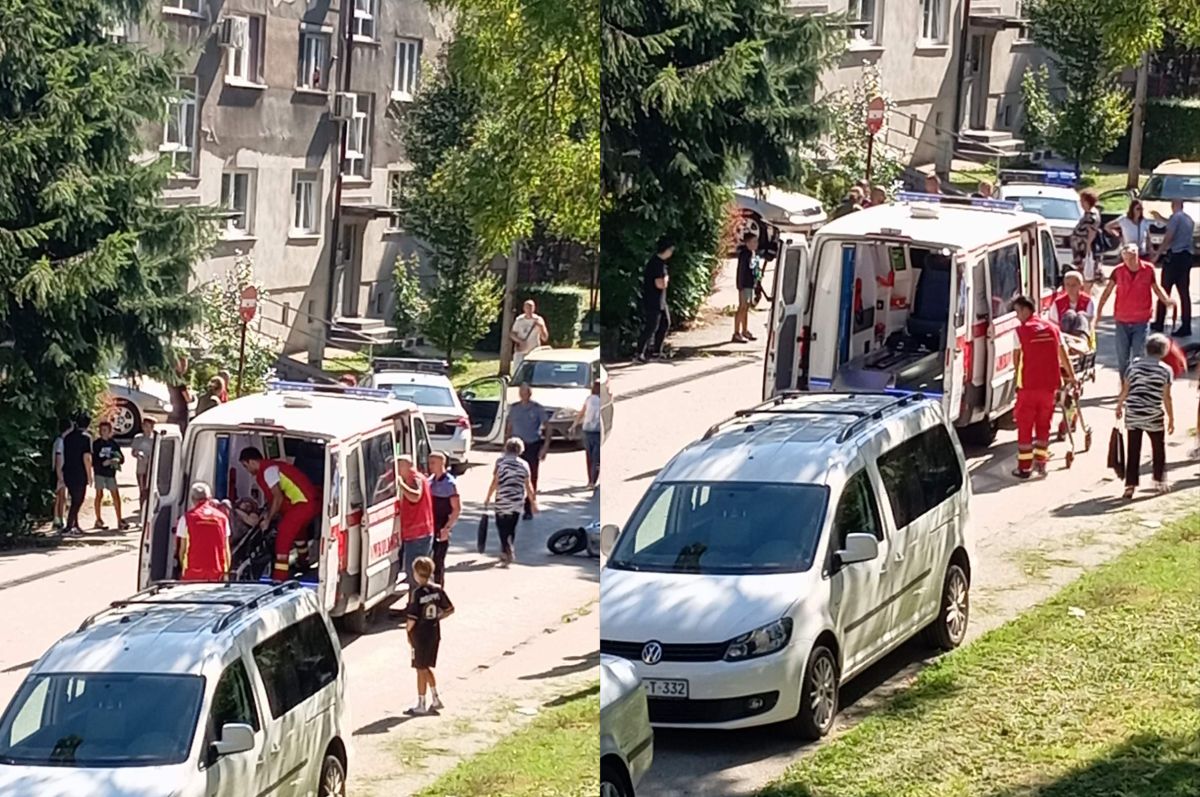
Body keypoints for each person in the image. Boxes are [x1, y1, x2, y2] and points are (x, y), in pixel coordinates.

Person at [1011, 295, 1077, 479]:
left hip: (1028, 387)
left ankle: (1024, 468)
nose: (1017, 316)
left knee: (1025, 426)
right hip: (1049, 387)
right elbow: (1063, 355)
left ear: (1026, 310)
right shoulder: (1054, 329)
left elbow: (1016, 359)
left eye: (1017, 311)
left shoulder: (1020, 331)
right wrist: (1071, 377)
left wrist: (1019, 377)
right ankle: (1041, 464)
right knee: (1043, 425)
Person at [238, 446, 320, 581]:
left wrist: (268, 519)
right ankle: (303, 562)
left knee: (283, 539)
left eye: (246, 466)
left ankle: (279, 579)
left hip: (302, 504)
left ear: (252, 462)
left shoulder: (268, 472)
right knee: (299, 533)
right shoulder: (273, 467)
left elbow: (278, 497)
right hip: (309, 502)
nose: (247, 470)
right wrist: (267, 511)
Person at [1096, 244, 1176, 379]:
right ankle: (1124, 386)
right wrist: (1099, 311)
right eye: (1125, 258)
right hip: (1122, 319)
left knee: (1138, 356)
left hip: (1141, 319)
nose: (1128, 262)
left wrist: (1167, 300)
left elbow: (1156, 288)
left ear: (1137, 255)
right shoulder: (1118, 271)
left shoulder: (1148, 269)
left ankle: (1135, 385)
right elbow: (1107, 291)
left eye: (1131, 258)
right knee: (1123, 357)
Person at [1116, 334, 1175, 498]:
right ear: (1164, 351)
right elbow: (1166, 397)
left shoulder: (1133, 367)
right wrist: (1171, 418)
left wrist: (1119, 405)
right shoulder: (1165, 370)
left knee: (1133, 449)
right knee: (1158, 447)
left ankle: (1130, 485)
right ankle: (1159, 480)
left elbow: (1125, 390)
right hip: (1153, 414)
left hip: (1133, 412)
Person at [404, 556, 454, 716]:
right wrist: (437, 618)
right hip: (434, 633)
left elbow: (412, 618)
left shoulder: (417, 593)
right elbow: (450, 609)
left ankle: (421, 702)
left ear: (417, 574)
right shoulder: (438, 590)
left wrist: (408, 633)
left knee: (420, 668)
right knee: (426, 666)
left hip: (420, 635)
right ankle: (435, 698)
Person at [484, 438, 537, 566]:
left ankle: (506, 548)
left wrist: (488, 497)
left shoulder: (501, 463)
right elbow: (528, 485)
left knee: (501, 525)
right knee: (511, 526)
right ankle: (507, 548)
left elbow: (495, 482)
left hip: (502, 498)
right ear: (520, 450)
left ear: (506, 448)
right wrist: (533, 502)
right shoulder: (524, 464)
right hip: (517, 499)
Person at [1150, 198, 1195, 337]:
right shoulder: (1188, 219)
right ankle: (1186, 325)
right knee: (1184, 292)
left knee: (1164, 289)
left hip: (1174, 257)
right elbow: (1173, 225)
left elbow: (1169, 236)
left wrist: (1158, 254)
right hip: (1187, 257)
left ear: (1173, 205)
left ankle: (1159, 321)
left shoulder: (1175, 218)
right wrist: (1161, 218)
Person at [504, 384, 547, 519]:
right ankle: (513, 506)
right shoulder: (515, 408)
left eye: (526, 392)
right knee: (512, 476)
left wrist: (545, 446)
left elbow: (548, 426)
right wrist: (505, 444)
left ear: (530, 393)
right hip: (516, 447)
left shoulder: (537, 408)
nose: (524, 394)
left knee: (531, 477)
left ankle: (528, 507)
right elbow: (509, 427)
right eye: (521, 392)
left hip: (532, 445)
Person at [175, 482, 231, 581]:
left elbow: (182, 550)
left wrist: (184, 567)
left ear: (192, 499)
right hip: (217, 574)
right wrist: (226, 573)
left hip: (192, 573)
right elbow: (226, 550)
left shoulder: (186, 518)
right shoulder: (222, 518)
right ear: (209, 497)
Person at [397, 455, 435, 586]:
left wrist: (401, 485)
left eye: (399, 466)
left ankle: (418, 602)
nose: (396, 469)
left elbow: (415, 496)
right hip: (419, 532)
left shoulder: (414, 478)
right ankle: (417, 601)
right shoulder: (417, 477)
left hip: (418, 534)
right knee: (418, 571)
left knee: (416, 572)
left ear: (406, 466)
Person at [636, 237, 673, 362]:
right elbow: (660, 284)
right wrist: (667, 279)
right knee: (651, 326)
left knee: (665, 323)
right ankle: (639, 352)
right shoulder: (655, 264)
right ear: (666, 250)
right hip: (653, 300)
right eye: (670, 250)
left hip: (661, 300)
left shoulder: (662, 264)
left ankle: (657, 350)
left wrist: (665, 278)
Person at [428, 452, 460, 586]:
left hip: (442, 526)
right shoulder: (430, 481)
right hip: (430, 525)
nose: (430, 466)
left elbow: (456, 509)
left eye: (433, 463)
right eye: (429, 463)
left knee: (438, 562)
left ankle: (439, 591)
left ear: (442, 463)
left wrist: (447, 528)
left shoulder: (449, 484)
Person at [60, 413, 92, 536]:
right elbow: (87, 458)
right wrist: (89, 475)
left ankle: (75, 525)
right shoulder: (86, 438)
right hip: (80, 472)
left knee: (73, 497)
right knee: (78, 500)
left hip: (68, 471)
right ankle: (69, 526)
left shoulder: (67, 437)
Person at [91, 421, 125, 530]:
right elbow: (93, 459)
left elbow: (121, 458)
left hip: (110, 473)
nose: (102, 432)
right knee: (99, 494)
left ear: (110, 431)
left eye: (105, 430)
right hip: (99, 472)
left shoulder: (113, 444)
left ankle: (119, 519)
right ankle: (98, 519)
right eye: (101, 430)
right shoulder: (96, 444)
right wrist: (101, 463)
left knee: (115, 495)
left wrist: (116, 460)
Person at [1070, 189, 1103, 289]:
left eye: (1082, 201)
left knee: (1086, 276)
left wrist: (1088, 249)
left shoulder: (1091, 216)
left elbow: (1091, 233)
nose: (1081, 203)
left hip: (1084, 250)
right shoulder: (1088, 213)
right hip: (1080, 249)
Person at [575, 380, 602, 489]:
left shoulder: (589, 399)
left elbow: (581, 413)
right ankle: (592, 481)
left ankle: (591, 480)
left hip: (588, 430)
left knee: (590, 457)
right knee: (595, 458)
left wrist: (574, 425)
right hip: (595, 431)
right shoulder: (599, 400)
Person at [733, 232, 759, 343]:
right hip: (744, 284)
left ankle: (745, 330)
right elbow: (742, 271)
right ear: (747, 243)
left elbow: (754, 269)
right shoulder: (745, 255)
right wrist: (740, 285)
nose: (756, 244)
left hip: (750, 284)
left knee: (747, 307)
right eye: (753, 242)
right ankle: (736, 332)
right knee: (742, 307)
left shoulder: (753, 254)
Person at [511, 300, 549, 373]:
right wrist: (520, 341)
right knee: (518, 371)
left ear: (534, 308)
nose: (529, 309)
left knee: (532, 373)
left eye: (531, 307)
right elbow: (512, 334)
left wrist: (541, 327)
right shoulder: (519, 320)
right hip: (521, 351)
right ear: (524, 308)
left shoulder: (538, 319)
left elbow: (545, 338)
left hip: (534, 351)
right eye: (527, 307)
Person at [130, 417, 156, 517]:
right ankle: (143, 511)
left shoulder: (155, 439)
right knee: (142, 491)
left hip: (152, 469)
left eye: (148, 426)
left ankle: (151, 510)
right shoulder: (138, 438)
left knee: (152, 491)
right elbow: (133, 452)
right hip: (141, 469)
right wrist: (137, 454)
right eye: (144, 425)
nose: (145, 428)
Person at [52, 418, 72, 530]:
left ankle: (57, 518)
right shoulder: (61, 442)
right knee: (61, 497)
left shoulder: (58, 440)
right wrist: (60, 475)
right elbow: (59, 458)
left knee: (60, 497)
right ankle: (60, 518)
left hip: (59, 471)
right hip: (60, 471)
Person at [167, 356, 191, 434]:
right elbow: (188, 398)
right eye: (183, 365)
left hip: (173, 408)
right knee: (183, 433)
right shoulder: (180, 381)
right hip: (182, 411)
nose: (185, 368)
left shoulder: (170, 378)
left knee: (171, 431)